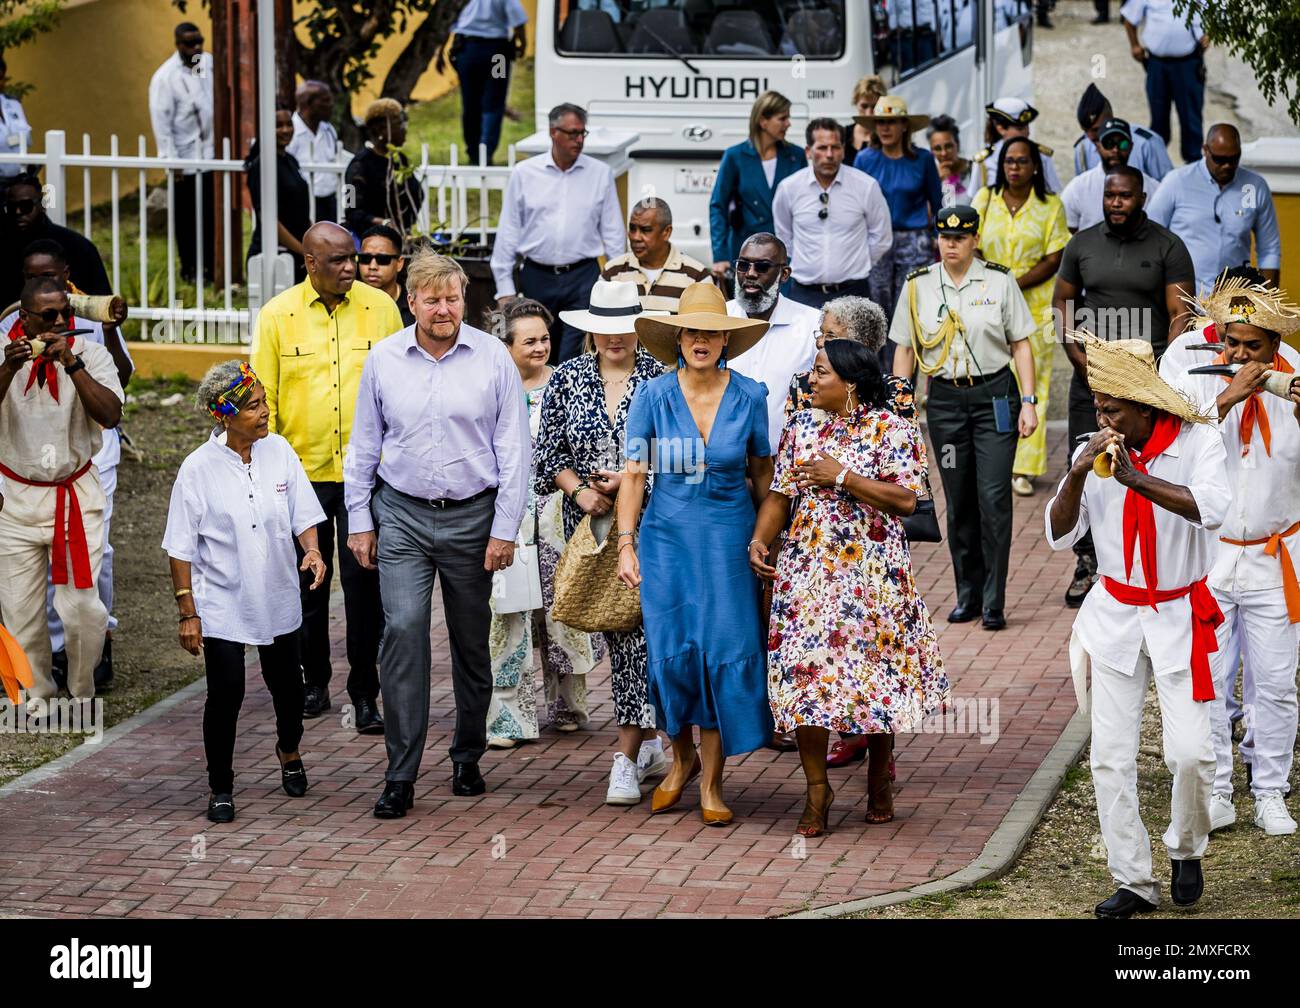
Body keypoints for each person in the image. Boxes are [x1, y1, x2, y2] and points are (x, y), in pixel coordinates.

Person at [1046, 334, 1228, 918]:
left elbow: (1213, 509)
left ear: (1146, 408)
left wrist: (1137, 481)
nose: (1102, 419)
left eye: (1112, 410)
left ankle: (1186, 846)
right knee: (1110, 756)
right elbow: (1058, 533)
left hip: (1179, 612)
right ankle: (1133, 880)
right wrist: (1077, 475)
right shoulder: (1094, 452)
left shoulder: (1201, 443)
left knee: (1193, 754)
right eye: (1097, 408)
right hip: (1115, 614)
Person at [345, 251, 529, 817]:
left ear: (463, 300)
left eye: (452, 298)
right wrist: (359, 520)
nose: (444, 309)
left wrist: (503, 530)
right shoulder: (384, 359)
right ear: (412, 301)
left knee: (472, 642)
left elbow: (514, 452)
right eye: (432, 300)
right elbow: (364, 448)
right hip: (401, 513)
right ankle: (400, 774)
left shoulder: (493, 358)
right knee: (402, 632)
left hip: (474, 518)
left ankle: (467, 755)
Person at [752, 339, 949, 835]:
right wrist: (760, 538)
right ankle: (817, 789)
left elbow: (906, 500)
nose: (811, 381)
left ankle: (879, 770)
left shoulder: (894, 429)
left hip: (871, 573)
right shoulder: (800, 427)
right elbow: (781, 493)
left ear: (851, 382)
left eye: (820, 373)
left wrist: (841, 476)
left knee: (873, 676)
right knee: (807, 678)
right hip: (808, 571)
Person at [617, 282, 774, 826]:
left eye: (711, 332)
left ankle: (712, 781)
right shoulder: (652, 396)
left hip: (730, 540)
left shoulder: (751, 395)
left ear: (725, 339)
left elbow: (763, 475)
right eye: (692, 332)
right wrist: (625, 543)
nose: (701, 340)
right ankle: (679, 761)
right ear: (678, 338)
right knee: (674, 652)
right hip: (667, 541)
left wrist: (769, 540)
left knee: (722, 649)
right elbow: (635, 474)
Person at [250, 221, 401, 732]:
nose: (350, 268)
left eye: (352, 258)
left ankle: (364, 692)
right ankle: (313, 681)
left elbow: (400, 389)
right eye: (336, 260)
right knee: (309, 586)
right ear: (309, 263)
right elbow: (261, 398)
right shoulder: (277, 316)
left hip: (368, 475)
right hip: (302, 475)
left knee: (365, 591)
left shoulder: (381, 309)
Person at [163, 361, 328, 824]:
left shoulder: (279, 452)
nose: (265, 412)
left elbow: (304, 516)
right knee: (227, 693)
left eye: (264, 402)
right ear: (225, 415)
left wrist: (312, 551)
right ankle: (221, 785)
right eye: (253, 406)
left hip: (276, 593)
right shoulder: (197, 469)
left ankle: (289, 749)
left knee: (289, 691)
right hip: (222, 601)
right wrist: (188, 613)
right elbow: (179, 547)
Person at [1173, 280, 1300, 837]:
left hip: (1278, 556)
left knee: (1275, 681)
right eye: (1233, 343)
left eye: (1254, 347)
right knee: (1213, 681)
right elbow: (1172, 447)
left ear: (1274, 343)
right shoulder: (1198, 377)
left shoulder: (1294, 375)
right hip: (1212, 557)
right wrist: (1227, 397)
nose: (1242, 357)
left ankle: (1270, 789)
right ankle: (1218, 789)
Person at [537, 280, 667, 803]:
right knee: (617, 635)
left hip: (652, 524)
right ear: (590, 329)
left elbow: (680, 455)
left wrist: (636, 483)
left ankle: (627, 757)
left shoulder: (660, 378)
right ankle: (652, 744)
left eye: (625, 327)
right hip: (589, 530)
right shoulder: (567, 379)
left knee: (636, 638)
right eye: (605, 328)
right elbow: (547, 454)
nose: (615, 338)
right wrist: (581, 492)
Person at [890, 205, 1040, 631]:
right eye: (944, 237)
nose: (951, 244)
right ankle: (967, 594)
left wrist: (1028, 401)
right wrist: (902, 407)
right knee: (958, 498)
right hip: (945, 404)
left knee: (993, 497)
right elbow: (904, 349)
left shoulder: (999, 280)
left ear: (975, 239)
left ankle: (994, 600)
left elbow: (1022, 344)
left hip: (994, 398)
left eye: (960, 237)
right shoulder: (918, 286)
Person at [1052, 165, 1195, 607]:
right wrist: (1080, 361)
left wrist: (1164, 372)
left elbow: (1181, 313)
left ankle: (1147, 563)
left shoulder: (1168, 246)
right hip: (1091, 381)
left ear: (1142, 197)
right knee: (1085, 464)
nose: (1115, 203)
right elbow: (1062, 303)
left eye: (1125, 196)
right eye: (1110, 196)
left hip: (1143, 387)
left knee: (1147, 470)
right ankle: (1087, 562)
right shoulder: (1082, 244)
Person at [0, 240, 133, 693]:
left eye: (64, 314)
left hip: (75, 494)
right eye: (48, 317)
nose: (59, 323)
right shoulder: (3, 349)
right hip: (16, 498)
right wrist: (6, 370)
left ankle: (81, 686)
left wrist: (73, 363)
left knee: (82, 610)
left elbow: (112, 415)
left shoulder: (89, 352)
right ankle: (37, 695)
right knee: (20, 611)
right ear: (25, 318)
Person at [485, 297, 603, 751]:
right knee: (509, 614)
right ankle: (508, 716)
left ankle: (568, 706)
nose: (539, 348)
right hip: (508, 515)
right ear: (506, 344)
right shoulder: (493, 387)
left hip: (559, 514)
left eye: (545, 339)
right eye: (529, 340)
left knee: (562, 611)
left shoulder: (566, 384)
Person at [973, 138, 1070, 498]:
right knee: (992, 380)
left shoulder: (1050, 205)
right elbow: (974, 244)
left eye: (1022, 162)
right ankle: (993, 458)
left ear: (1035, 167)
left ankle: (1023, 468)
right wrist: (997, 281)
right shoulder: (985, 199)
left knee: (1034, 385)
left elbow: (1053, 258)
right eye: (1009, 161)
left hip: (1035, 307)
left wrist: (1010, 282)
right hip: (986, 302)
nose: (1015, 167)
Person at [491, 103, 624, 363]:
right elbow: (508, 232)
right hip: (537, 275)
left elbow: (614, 235)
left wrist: (616, 284)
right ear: (553, 132)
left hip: (583, 276)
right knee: (538, 350)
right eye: (572, 133)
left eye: (582, 134)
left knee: (577, 354)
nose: (578, 140)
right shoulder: (525, 173)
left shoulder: (600, 174)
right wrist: (504, 288)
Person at [1145, 123, 1282, 297]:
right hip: (1183, 299)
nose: (1227, 166)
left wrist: (1268, 304)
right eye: (1220, 159)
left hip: (1235, 303)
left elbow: (1269, 249)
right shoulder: (1177, 181)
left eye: (1234, 159)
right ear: (1205, 150)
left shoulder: (1254, 186)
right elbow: (1150, 237)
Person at [774, 118, 893, 312]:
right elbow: (784, 237)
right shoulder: (789, 189)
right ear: (808, 151)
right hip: (804, 294)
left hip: (854, 293)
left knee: (854, 343)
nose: (829, 155)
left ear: (843, 150)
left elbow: (882, 237)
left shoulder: (865, 186)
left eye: (835, 147)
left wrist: (857, 263)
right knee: (804, 343)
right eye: (822, 148)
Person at [725, 233, 821, 462]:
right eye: (743, 265)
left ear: (784, 274)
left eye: (762, 267)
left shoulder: (812, 324)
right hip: (723, 467)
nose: (750, 274)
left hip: (789, 464)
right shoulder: (719, 318)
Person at [853, 96, 942, 321]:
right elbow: (854, 203)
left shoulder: (923, 159)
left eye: (891, 122)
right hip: (875, 240)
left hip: (914, 241)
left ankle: (909, 356)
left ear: (904, 126)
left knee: (911, 306)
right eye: (880, 122)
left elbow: (938, 201)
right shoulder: (864, 159)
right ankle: (879, 358)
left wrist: (936, 235)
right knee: (877, 307)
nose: (885, 128)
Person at [709, 91, 807, 287]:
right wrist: (720, 256)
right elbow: (718, 206)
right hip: (747, 256)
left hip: (786, 254)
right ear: (763, 121)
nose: (788, 123)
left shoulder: (796, 155)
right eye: (783, 118)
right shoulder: (735, 156)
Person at [148, 22, 214, 283]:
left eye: (199, 40)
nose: (196, 47)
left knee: (210, 217)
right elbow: (162, 125)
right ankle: (190, 270)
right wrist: (171, 163)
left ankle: (210, 267)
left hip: (211, 157)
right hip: (184, 161)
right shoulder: (165, 78)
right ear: (177, 45)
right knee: (188, 221)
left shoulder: (206, 63)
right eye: (189, 43)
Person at [0, 174, 111, 308]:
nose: (18, 212)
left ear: (42, 205)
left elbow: (101, 306)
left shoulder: (77, 247)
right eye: (11, 207)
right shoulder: (3, 246)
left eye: (26, 206)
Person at [1122, 0, 1209, 165]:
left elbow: (1219, 11)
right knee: (1158, 118)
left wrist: (1209, 35)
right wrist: (1134, 45)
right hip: (1157, 65)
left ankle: (1193, 164)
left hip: (1188, 63)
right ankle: (1155, 165)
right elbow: (1129, 17)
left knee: (1191, 118)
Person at [449, 0, 528, 164]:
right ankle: (486, 151)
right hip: (496, 53)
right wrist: (522, 43)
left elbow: (448, 18)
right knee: (494, 102)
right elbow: (518, 20)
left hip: (467, 51)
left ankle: (473, 152)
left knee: (470, 104)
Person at [600, 197, 709, 314]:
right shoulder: (612, 273)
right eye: (632, 228)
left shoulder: (697, 277)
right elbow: (596, 326)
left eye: (645, 230)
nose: (635, 237)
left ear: (667, 232)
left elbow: (706, 328)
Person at [245, 106, 311, 284]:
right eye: (278, 125)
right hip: (275, 255)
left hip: (296, 254)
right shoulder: (262, 165)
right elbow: (269, 220)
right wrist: (303, 251)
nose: (286, 130)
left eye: (289, 124)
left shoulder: (290, 160)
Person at [1060, 119, 1162, 233]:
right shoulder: (1078, 187)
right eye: (1108, 144)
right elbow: (1066, 232)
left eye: (1123, 144)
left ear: (1131, 147)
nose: (1115, 150)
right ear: (1098, 146)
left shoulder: (1152, 188)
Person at [344, 99, 423, 239]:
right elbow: (352, 212)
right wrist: (383, 223)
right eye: (398, 124)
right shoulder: (359, 166)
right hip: (369, 241)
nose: (404, 129)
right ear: (381, 129)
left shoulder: (400, 160)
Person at [1072, 83, 1173, 181]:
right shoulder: (1082, 148)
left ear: (1110, 118)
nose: (1090, 137)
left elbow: (1167, 185)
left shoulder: (1145, 143)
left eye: (1096, 130)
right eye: (1086, 131)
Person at [974, 99, 1062, 195]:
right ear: (1001, 129)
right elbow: (974, 199)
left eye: (1027, 127)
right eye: (1020, 128)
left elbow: (1052, 192)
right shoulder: (986, 160)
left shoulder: (1041, 156)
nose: (1027, 132)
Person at [286, 80, 341, 224]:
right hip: (302, 204)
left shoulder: (328, 130)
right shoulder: (290, 133)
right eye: (325, 100)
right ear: (308, 104)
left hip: (329, 202)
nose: (331, 105)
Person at [358, 224, 413, 327]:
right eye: (365, 258)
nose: (372, 266)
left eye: (382, 259)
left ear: (399, 263)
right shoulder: (344, 302)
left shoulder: (415, 305)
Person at [928, 115, 974, 208]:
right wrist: (936, 181)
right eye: (937, 148)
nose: (944, 153)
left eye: (948, 146)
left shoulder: (974, 169)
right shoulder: (930, 175)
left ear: (957, 144)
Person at [0, 55, 33, 182]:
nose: (0, 83)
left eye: (2, 78)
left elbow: (28, 138)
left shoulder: (13, 104)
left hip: (20, 177)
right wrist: (16, 139)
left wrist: (7, 141)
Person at [846, 74, 887, 162]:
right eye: (864, 106)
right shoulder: (843, 135)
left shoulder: (888, 137)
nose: (869, 113)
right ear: (856, 103)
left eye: (874, 107)